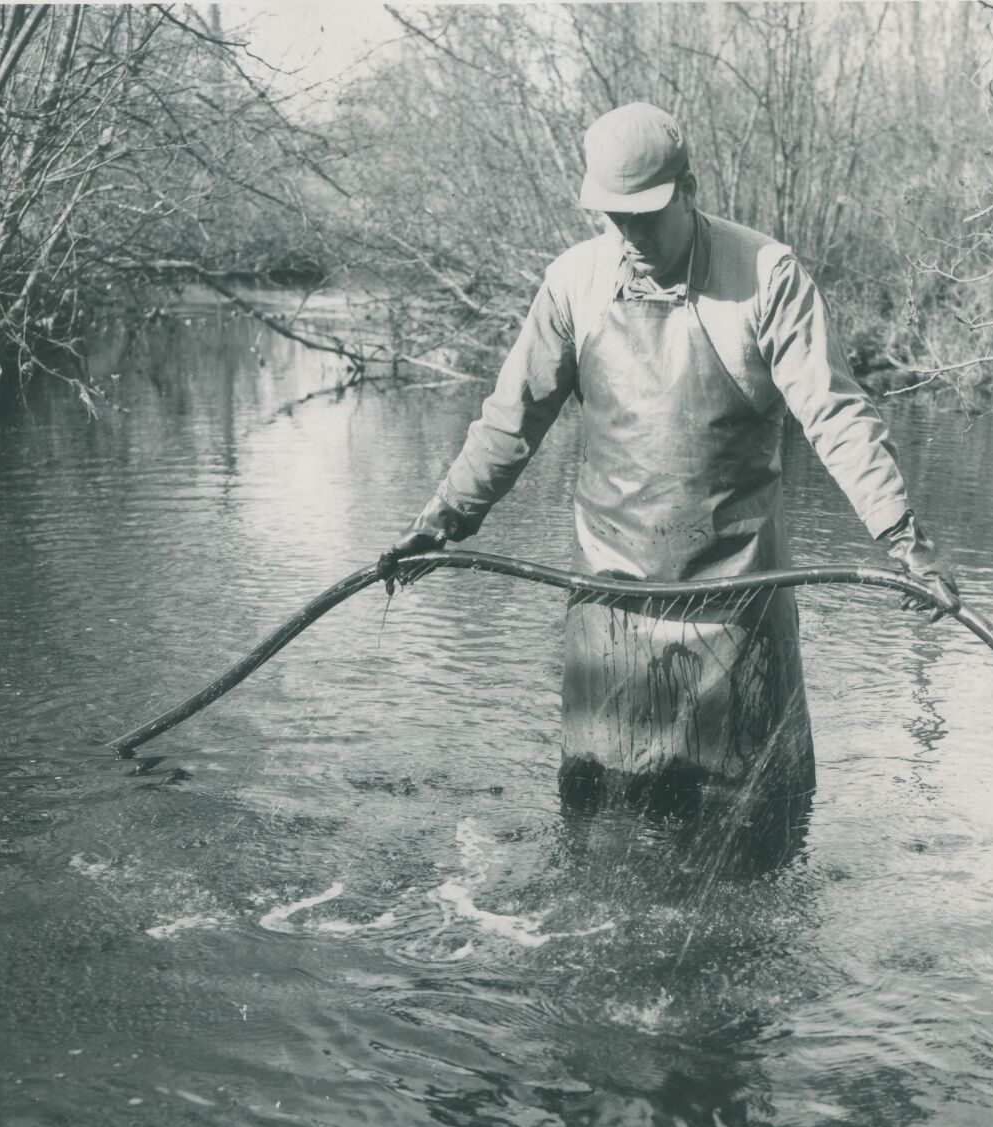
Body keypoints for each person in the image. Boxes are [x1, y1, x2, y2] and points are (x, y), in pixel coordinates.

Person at [379, 102, 958, 826]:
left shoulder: (766, 279)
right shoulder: (572, 284)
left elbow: (838, 417)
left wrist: (906, 543)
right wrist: (439, 523)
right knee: (599, 832)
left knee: (752, 841)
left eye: (646, 215)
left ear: (690, 187)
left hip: (738, 614)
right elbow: (509, 421)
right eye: (614, 219)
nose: (631, 236)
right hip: (609, 612)